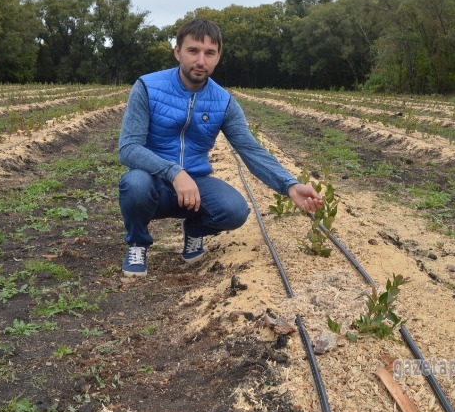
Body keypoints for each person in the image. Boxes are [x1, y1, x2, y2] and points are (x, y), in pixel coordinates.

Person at [118, 18, 324, 277]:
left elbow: (250, 149)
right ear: (177, 52)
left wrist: (289, 184)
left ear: (218, 57)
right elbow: (128, 148)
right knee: (135, 183)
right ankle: (137, 243)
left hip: (195, 186)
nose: (201, 61)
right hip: (153, 182)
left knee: (235, 210)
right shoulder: (147, 87)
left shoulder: (224, 102)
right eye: (193, 51)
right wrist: (174, 172)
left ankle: (194, 230)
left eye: (209, 53)